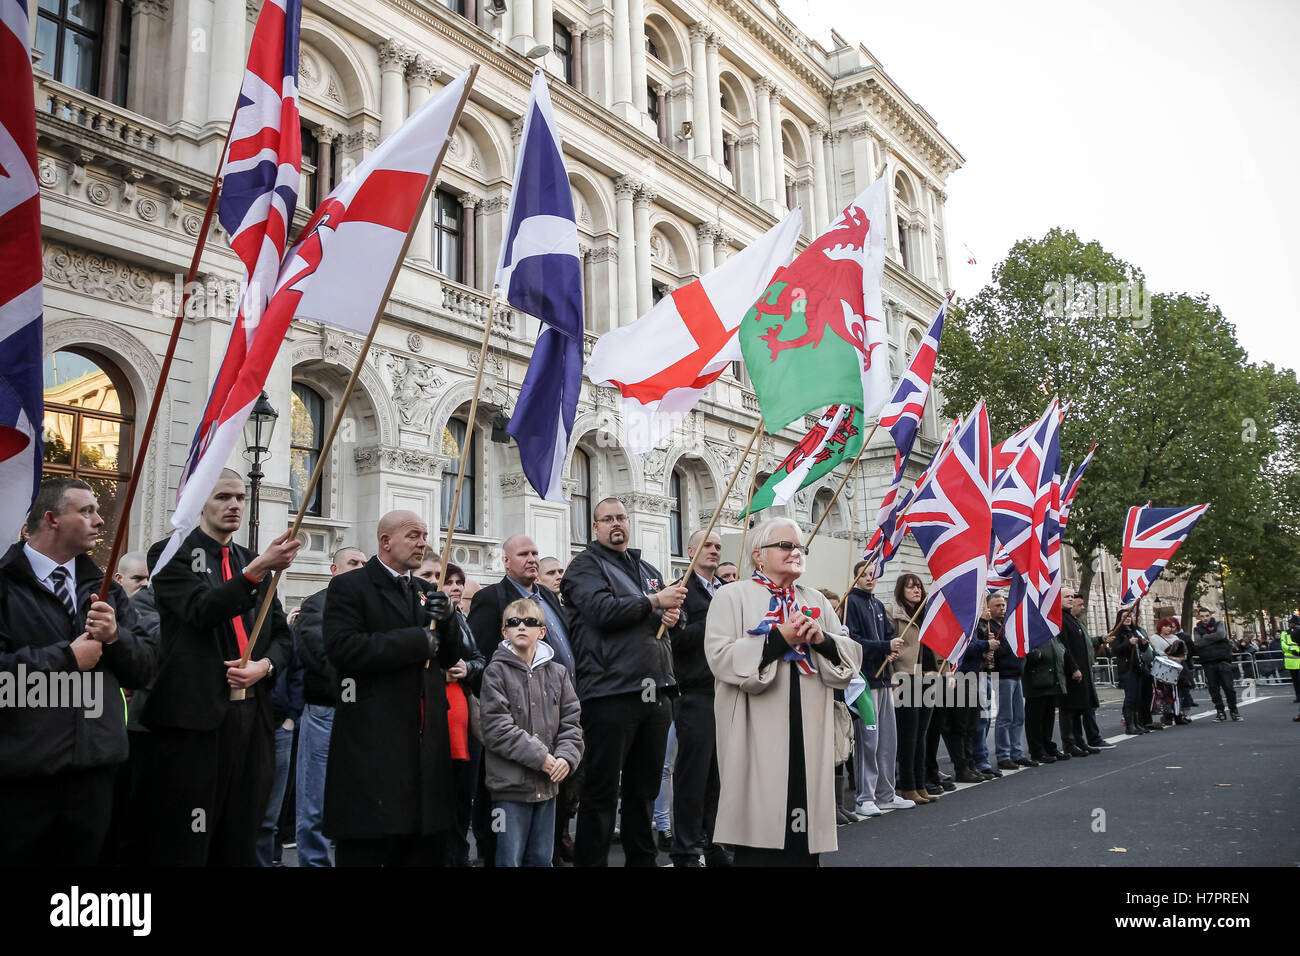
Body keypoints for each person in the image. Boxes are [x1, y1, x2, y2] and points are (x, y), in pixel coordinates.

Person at [143, 469, 298, 866]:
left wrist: (264, 667)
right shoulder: (170, 554)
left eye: (240, 498)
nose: (234, 506)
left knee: (242, 827)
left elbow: (281, 636)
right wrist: (257, 571)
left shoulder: (248, 559)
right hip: (195, 717)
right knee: (190, 832)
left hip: (252, 713)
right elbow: (201, 611)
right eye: (222, 497)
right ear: (199, 503)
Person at [0, 478, 155, 866]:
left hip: (95, 773)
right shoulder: (5, 585)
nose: (100, 521)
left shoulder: (106, 591)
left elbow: (144, 669)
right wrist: (66, 659)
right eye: (86, 511)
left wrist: (117, 637)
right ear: (51, 518)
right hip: (23, 778)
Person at [705, 518, 861, 866]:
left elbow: (849, 659)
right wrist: (779, 639)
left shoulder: (815, 599)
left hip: (807, 733)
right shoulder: (732, 596)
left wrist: (821, 639)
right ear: (758, 556)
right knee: (761, 837)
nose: (796, 552)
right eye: (786, 546)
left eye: (800, 547)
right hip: (756, 735)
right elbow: (720, 658)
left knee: (804, 840)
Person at [322, 510, 461, 866]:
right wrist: (415, 641)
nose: (423, 543)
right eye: (413, 535)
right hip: (374, 746)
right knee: (372, 849)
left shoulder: (426, 591)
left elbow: (450, 657)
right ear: (386, 541)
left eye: (425, 534)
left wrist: (448, 623)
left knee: (422, 850)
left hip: (424, 747)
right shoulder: (350, 587)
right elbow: (344, 649)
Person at [560, 497, 685, 867]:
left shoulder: (646, 568)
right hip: (610, 692)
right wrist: (653, 601)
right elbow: (600, 611)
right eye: (607, 519)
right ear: (594, 527)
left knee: (643, 790)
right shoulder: (583, 567)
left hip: (656, 691)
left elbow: (667, 622)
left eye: (621, 518)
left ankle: (641, 861)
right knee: (600, 792)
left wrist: (674, 615)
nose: (616, 524)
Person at [467, 534, 577, 864]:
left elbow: (572, 721)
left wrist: (565, 755)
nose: (532, 559)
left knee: (542, 846)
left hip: (552, 721)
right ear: (505, 561)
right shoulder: (490, 599)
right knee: (507, 845)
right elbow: (478, 658)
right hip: (511, 736)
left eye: (535, 553)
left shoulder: (546, 596)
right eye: (523, 554)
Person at [480, 599, 584, 867]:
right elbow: (496, 728)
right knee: (508, 860)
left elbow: (572, 723)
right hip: (509, 790)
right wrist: (543, 758)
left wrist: (565, 758)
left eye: (530, 622)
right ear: (504, 632)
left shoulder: (558, 673)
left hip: (548, 787)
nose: (521, 626)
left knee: (541, 859)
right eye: (513, 622)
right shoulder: (495, 672)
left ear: (542, 631)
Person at [292, 545, 366, 867]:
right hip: (326, 711)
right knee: (315, 799)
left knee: (360, 797)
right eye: (353, 562)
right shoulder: (316, 604)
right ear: (334, 570)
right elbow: (319, 657)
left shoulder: (370, 607)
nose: (360, 567)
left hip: (365, 713)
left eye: (365, 563)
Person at [668, 530, 733, 866]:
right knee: (692, 777)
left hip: (726, 692)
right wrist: (716, 619)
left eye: (718, 546)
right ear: (691, 550)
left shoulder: (725, 591)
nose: (713, 551)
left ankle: (713, 843)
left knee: (717, 777)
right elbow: (677, 640)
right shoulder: (680, 591)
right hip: (695, 694)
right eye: (707, 545)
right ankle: (685, 849)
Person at [842, 561, 911, 814]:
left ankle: (886, 793)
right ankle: (865, 797)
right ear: (856, 577)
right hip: (864, 682)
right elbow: (853, 640)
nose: (870, 578)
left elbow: (888, 635)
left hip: (883, 680)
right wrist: (885, 647)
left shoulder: (878, 604)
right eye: (865, 574)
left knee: (887, 740)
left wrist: (891, 650)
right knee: (868, 741)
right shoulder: (850, 603)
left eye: (873, 575)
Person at [440, 562, 487, 867]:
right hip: (437, 713)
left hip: (464, 714)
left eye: (460, 582)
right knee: (441, 796)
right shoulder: (431, 619)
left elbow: (479, 658)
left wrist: (466, 668)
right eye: (449, 581)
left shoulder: (462, 618)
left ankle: (458, 857)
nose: (456, 587)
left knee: (461, 796)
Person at [891, 573, 944, 794]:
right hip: (905, 677)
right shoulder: (893, 614)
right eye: (911, 587)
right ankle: (908, 785)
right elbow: (892, 650)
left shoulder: (925, 614)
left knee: (922, 733)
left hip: (928, 677)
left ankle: (921, 784)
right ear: (900, 590)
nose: (916, 591)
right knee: (908, 735)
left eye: (919, 587)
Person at [992, 593, 1034, 770]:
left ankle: (1017, 753)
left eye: (1003, 605)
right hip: (1002, 676)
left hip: (1017, 675)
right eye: (997, 606)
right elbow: (996, 653)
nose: (1002, 608)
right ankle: (1003, 755)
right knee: (1005, 717)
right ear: (989, 608)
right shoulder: (990, 628)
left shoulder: (1008, 625)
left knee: (1018, 717)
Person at [1058, 590, 1100, 755]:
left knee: (1079, 708)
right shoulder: (1060, 619)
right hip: (1071, 672)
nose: (1070, 599)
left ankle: (1079, 741)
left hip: (1081, 670)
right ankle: (1069, 743)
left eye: (1071, 597)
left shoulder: (1072, 619)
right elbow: (1064, 647)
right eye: (1066, 596)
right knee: (1069, 709)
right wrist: (1073, 667)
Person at [1023, 626, 1069, 761]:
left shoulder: (1047, 627)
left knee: (1048, 716)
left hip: (1051, 678)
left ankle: (1048, 746)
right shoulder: (1028, 625)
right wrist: (1035, 654)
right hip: (1036, 679)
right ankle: (1037, 750)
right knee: (1035, 718)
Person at [1104, 608, 1148, 735]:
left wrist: (1143, 644)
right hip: (1127, 668)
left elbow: (1140, 650)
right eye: (1125, 616)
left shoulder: (1134, 631)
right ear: (1120, 619)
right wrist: (1128, 643)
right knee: (1131, 696)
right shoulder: (1116, 633)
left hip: (1137, 667)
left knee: (1138, 697)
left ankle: (1137, 723)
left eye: (1129, 616)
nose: (1128, 618)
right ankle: (1130, 725)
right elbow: (1115, 650)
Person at [1193, 607, 1241, 721]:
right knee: (1213, 689)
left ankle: (1234, 711)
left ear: (1210, 615)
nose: (1205, 618)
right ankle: (1220, 711)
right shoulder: (1197, 629)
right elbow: (1198, 642)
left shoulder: (1219, 624)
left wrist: (1206, 638)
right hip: (1208, 661)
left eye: (1207, 615)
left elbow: (1221, 634)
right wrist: (1212, 638)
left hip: (1223, 660)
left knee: (1228, 687)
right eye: (1202, 616)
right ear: (1199, 617)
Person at [1283, 615, 1300, 706]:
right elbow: (1283, 644)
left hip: (1298, 659)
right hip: (1291, 661)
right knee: (1295, 681)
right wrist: (1292, 650)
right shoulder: (1285, 633)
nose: (1288, 624)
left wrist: (1298, 651)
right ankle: (1298, 696)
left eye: (1290, 622)